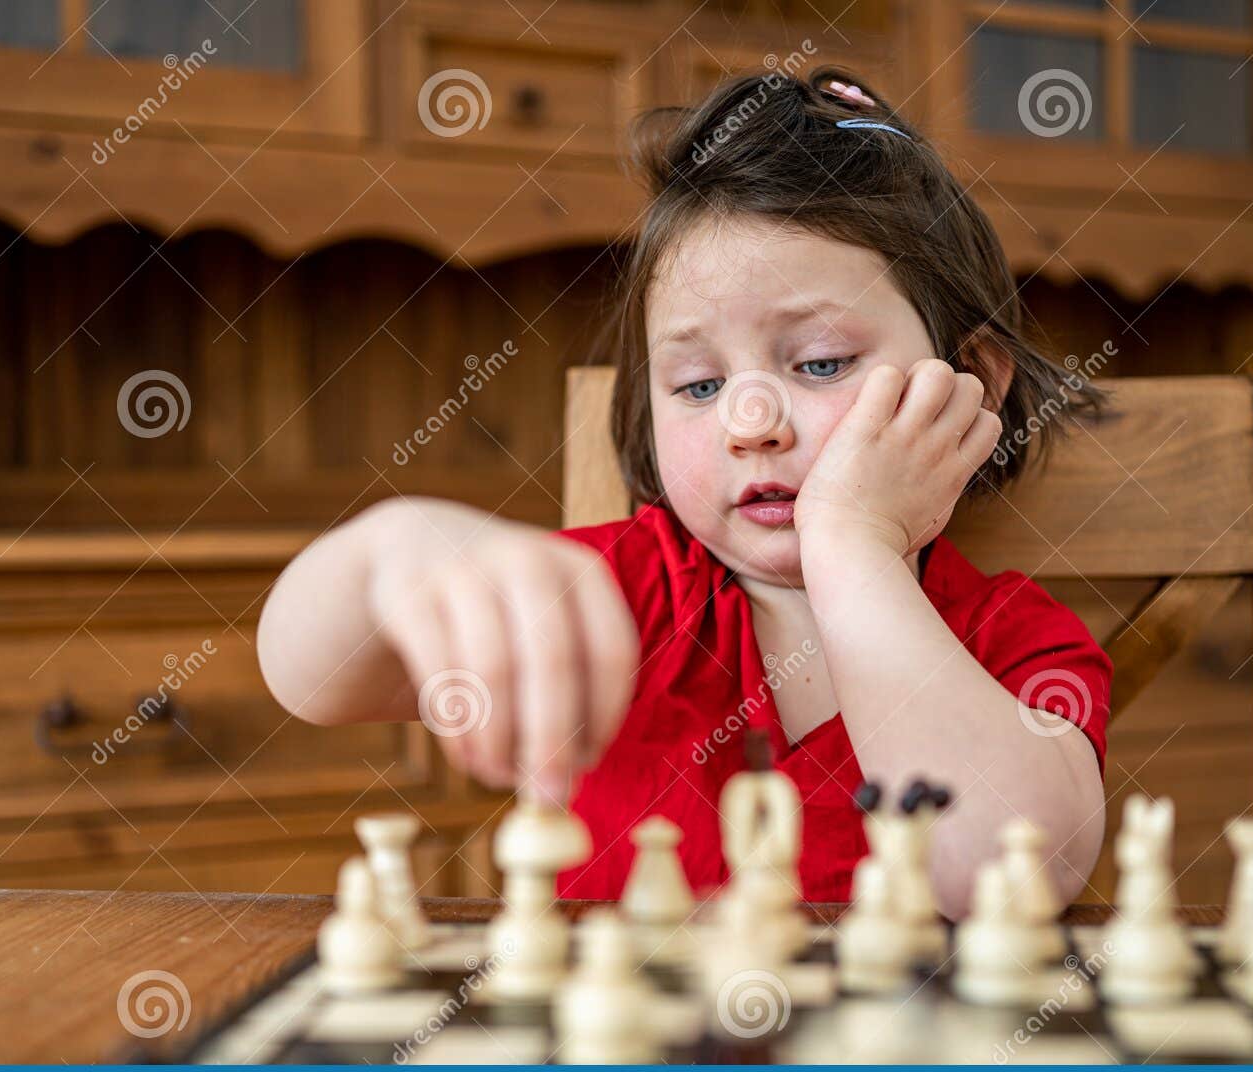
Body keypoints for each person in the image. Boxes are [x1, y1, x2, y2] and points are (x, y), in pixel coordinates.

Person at [258, 70, 1114, 917]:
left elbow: (1010, 874)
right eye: (699, 384)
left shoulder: (1011, 640)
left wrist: (852, 542)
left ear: (969, 383)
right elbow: (311, 679)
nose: (750, 420)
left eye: (819, 362)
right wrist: (391, 551)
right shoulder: (612, 593)